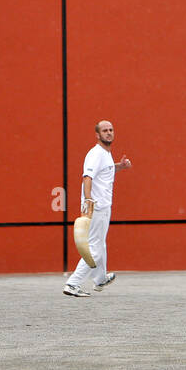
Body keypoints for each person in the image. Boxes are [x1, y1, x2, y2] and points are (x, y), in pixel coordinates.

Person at [63, 120, 132, 297]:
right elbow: (88, 177)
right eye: (105, 130)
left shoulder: (105, 154)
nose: (109, 133)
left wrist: (120, 167)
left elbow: (105, 172)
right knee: (94, 247)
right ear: (97, 135)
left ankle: (100, 279)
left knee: (99, 244)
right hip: (96, 207)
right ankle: (73, 283)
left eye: (111, 130)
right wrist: (88, 200)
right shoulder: (96, 154)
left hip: (103, 206)